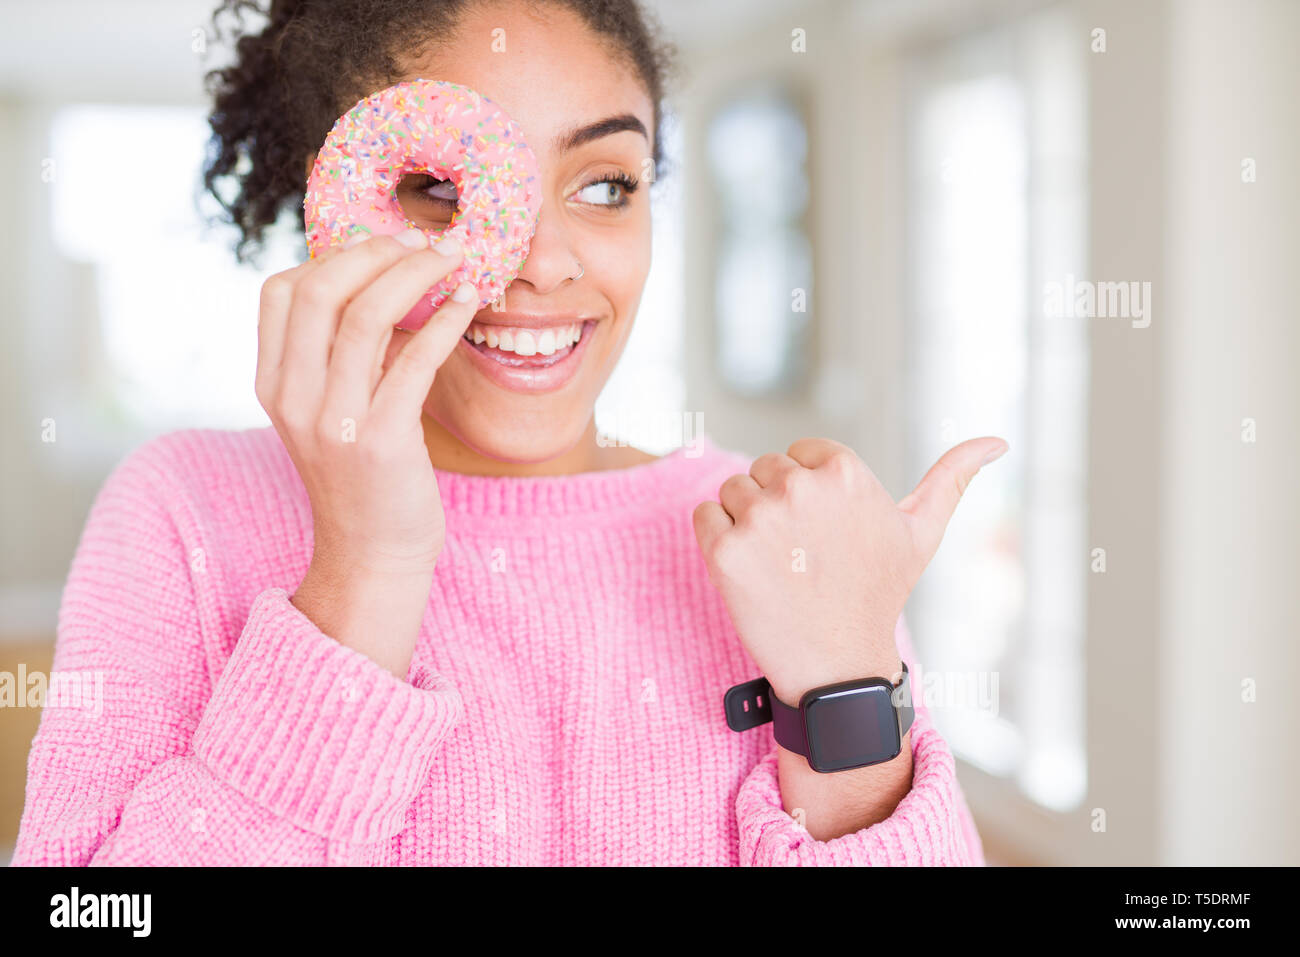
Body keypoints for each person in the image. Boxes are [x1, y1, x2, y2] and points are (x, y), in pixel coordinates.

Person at [13, 0, 1001, 865]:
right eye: (440, 191)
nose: (538, 264)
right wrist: (363, 571)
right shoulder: (185, 512)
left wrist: (842, 689)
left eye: (605, 184)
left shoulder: (782, 539)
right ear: (335, 208)